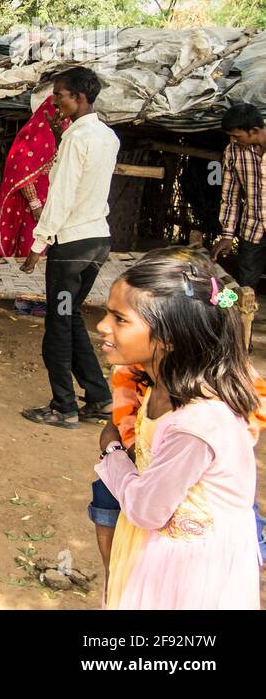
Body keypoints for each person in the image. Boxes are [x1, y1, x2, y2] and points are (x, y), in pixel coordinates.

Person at [94, 251, 261, 609]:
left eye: (120, 319)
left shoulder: (198, 423)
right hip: (156, 550)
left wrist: (112, 453)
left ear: (169, 338)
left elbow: (146, 509)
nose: (102, 325)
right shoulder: (160, 384)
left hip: (189, 576)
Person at [20, 67, 119, 429]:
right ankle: (99, 397)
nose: (56, 99)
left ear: (78, 97)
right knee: (71, 316)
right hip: (96, 242)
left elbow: (62, 196)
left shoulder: (77, 139)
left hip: (71, 245)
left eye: (60, 94)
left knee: (58, 326)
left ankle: (64, 406)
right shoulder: (107, 136)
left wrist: (39, 242)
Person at [0, 95, 71, 259]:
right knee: (31, 245)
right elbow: (22, 170)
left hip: (56, 201)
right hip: (36, 203)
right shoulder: (36, 133)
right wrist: (35, 204)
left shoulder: (69, 135)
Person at [211, 102, 266, 294]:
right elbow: (230, 195)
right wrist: (227, 234)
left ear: (254, 130)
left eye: (236, 135)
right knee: (245, 285)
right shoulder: (233, 152)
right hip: (252, 229)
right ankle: (245, 322)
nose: (233, 140)